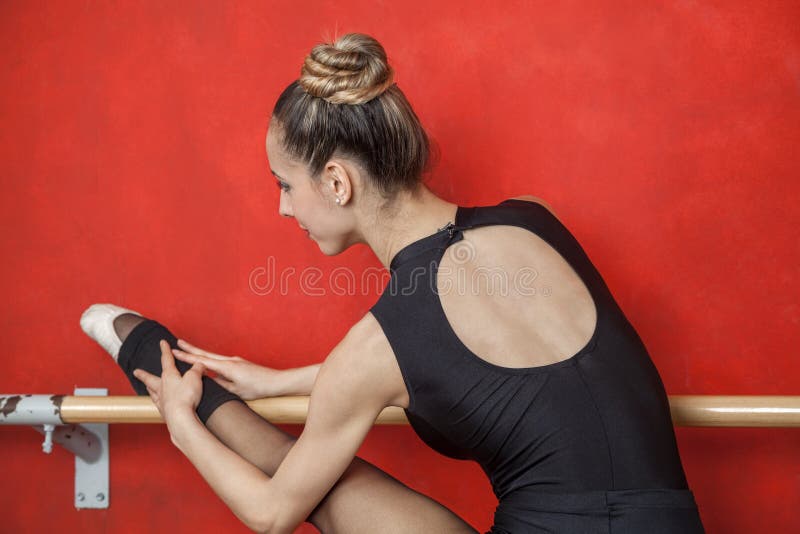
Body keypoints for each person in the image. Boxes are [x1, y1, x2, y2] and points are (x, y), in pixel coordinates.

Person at [79, 32, 704, 533]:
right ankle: (165, 362)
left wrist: (182, 427)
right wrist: (286, 380)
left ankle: (163, 372)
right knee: (322, 466)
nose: (284, 209)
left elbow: (272, 517)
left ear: (336, 182)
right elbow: (495, 374)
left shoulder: (381, 346)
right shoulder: (536, 221)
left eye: (284, 185)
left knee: (323, 487)